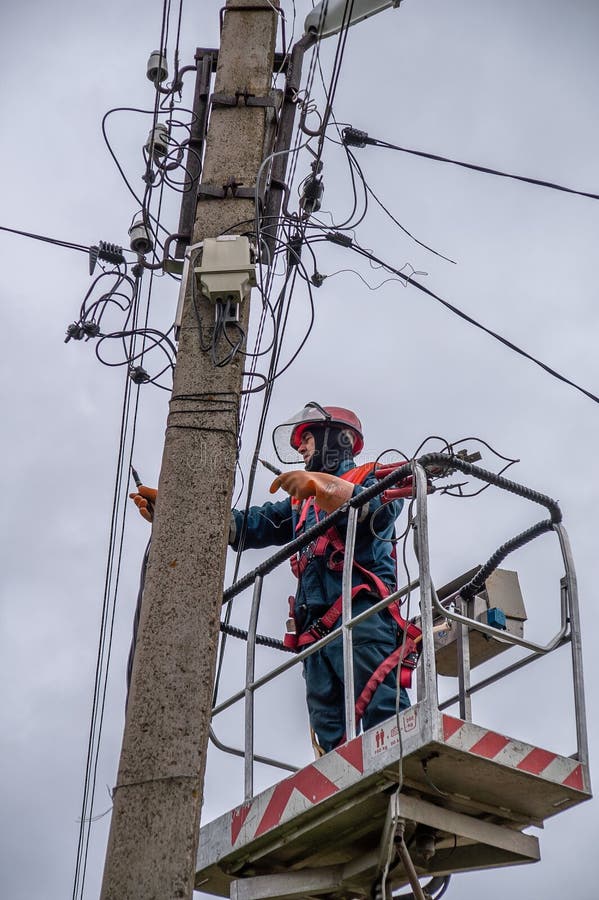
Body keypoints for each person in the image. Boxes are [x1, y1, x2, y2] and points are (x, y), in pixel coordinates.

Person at [130, 402, 417, 754]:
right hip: (317, 632)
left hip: (363, 617)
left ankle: (402, 767)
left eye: (307, 438)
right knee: (329, 733)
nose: (300, 448)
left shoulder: (372, 477)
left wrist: (323, 488)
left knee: (383, 712)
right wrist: (181, 513)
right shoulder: (301, 505)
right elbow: (251, 525)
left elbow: (377, 511)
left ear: (338, 438)